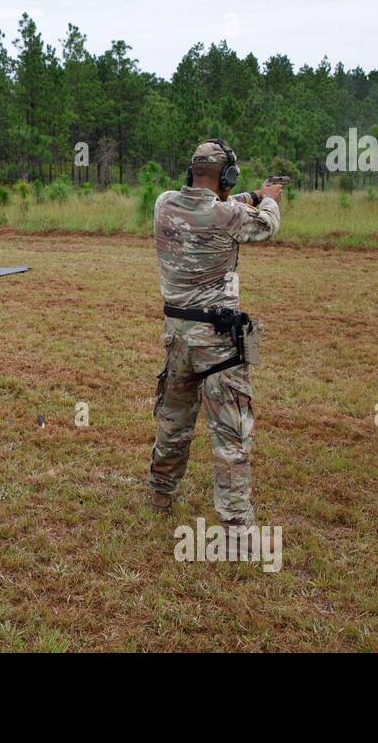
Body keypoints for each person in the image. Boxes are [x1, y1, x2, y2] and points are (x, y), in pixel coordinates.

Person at [149, 139, 283, 531]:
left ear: (192, 172)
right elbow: (266, 225)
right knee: (230, 431)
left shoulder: (164, 203)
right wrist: (270, 199)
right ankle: (236, 522)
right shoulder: (228, 216)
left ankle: (161, 491)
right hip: (218, 341)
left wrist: (254, 194)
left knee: (173, 420)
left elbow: (214, 206)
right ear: (226, 177)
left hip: (176, 334)